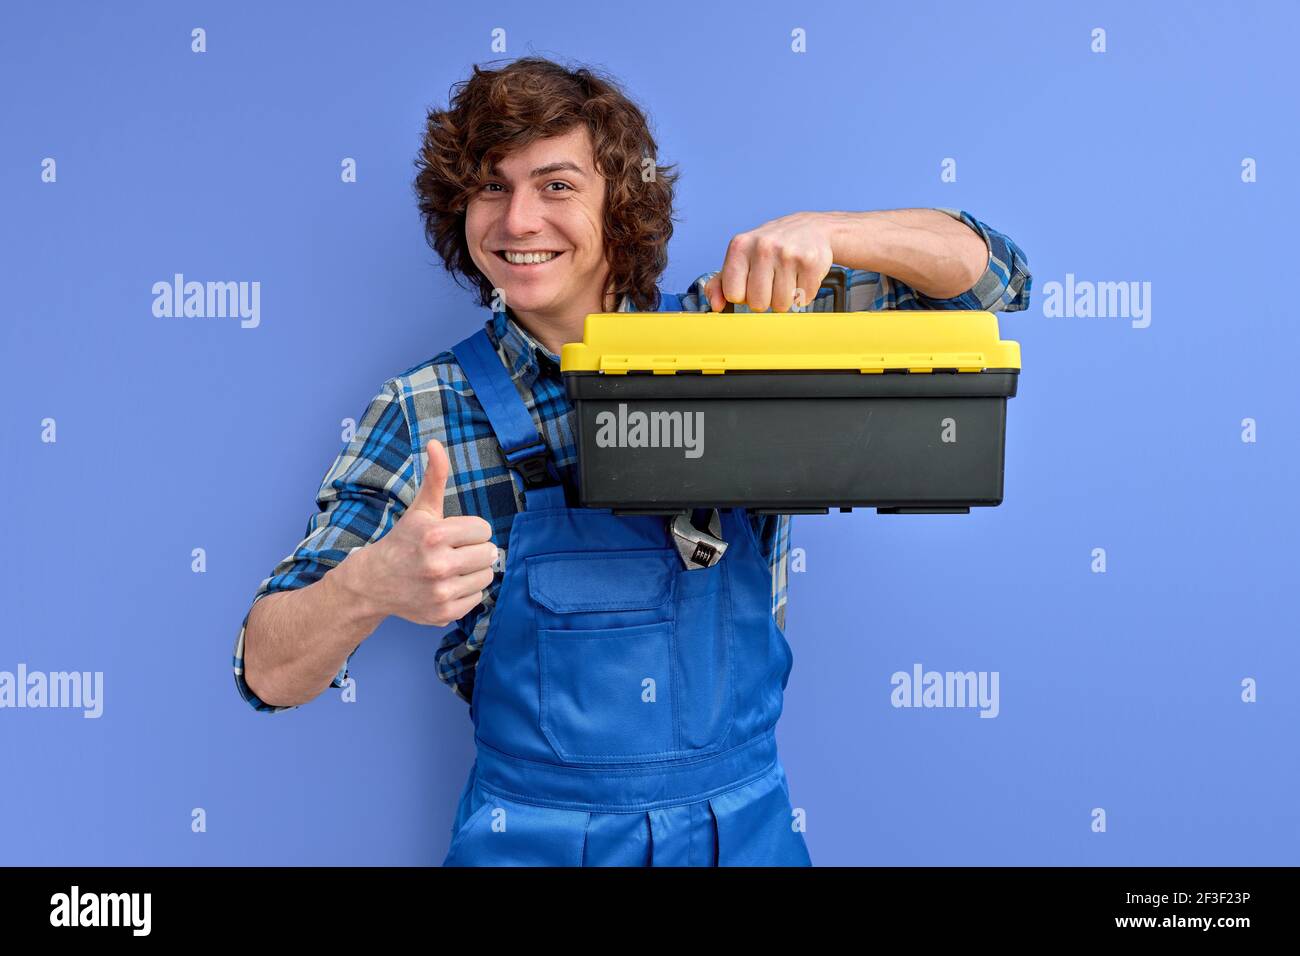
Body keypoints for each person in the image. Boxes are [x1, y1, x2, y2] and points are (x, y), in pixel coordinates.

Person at [231, 56, 1032, 866]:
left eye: (556, 186)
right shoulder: (427, 409)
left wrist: (833, 232)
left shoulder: (748, 335)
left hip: (740, 835)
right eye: (490, 187)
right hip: (532, 841)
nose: (516, 222)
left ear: (622, 200)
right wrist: (370, 585)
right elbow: (265, 671)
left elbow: (994, 278)